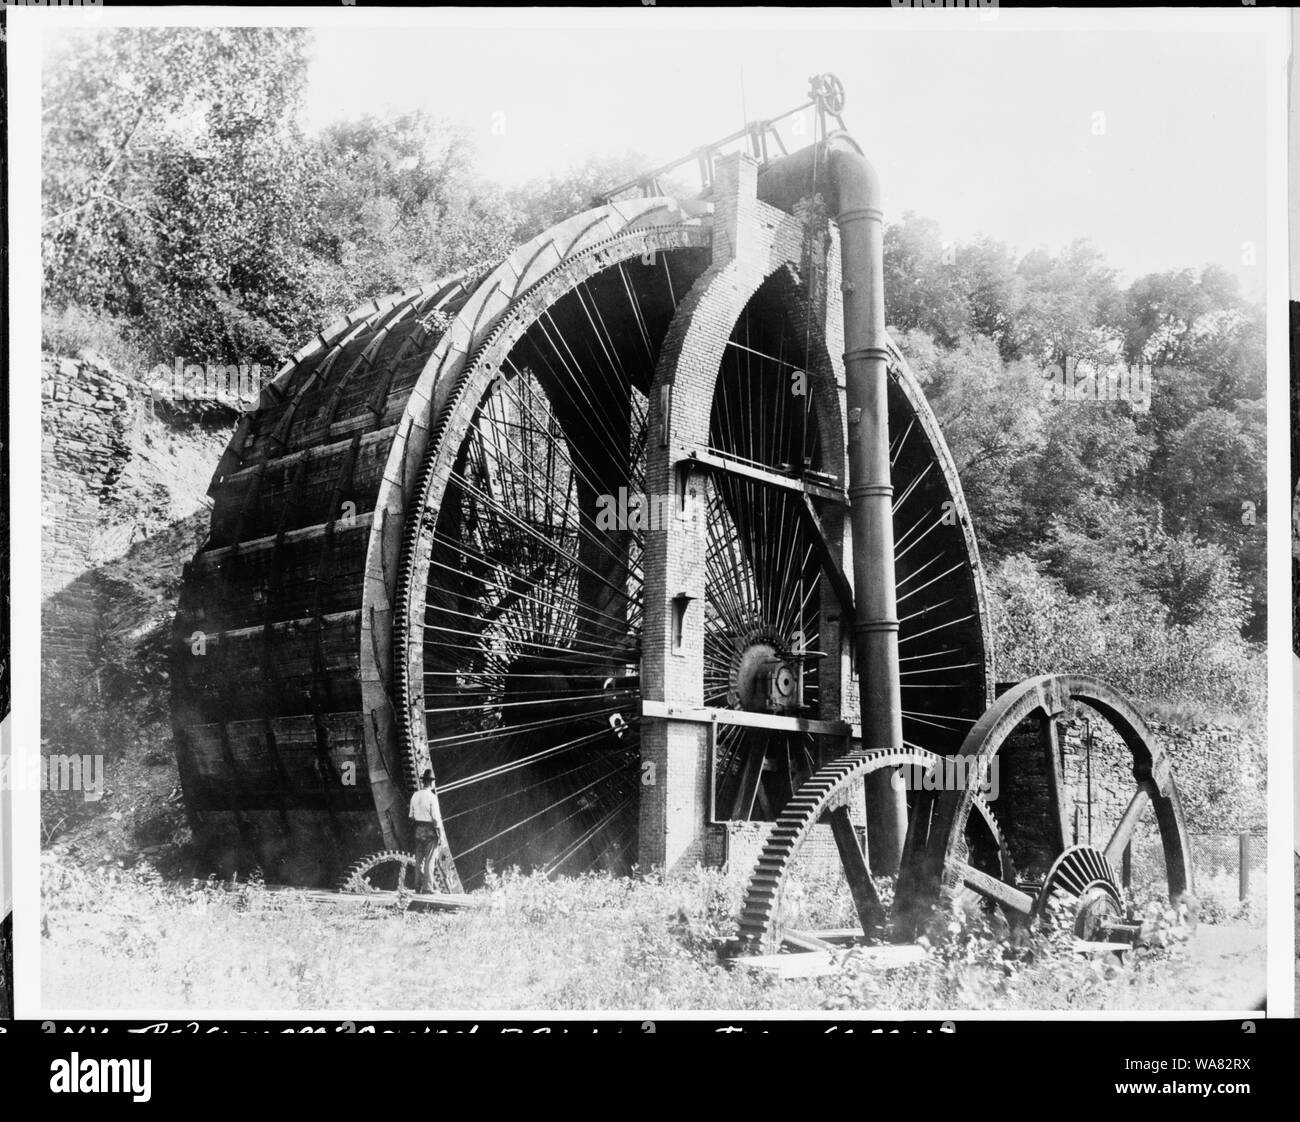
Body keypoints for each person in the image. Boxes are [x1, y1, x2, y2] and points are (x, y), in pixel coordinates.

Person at [408, 769, 444, 893]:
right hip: (429, 830)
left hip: (418, 830)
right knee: (430, 859)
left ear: (424, 782)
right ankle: (428, 888)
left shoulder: (415, 795)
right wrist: (439, 834)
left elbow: (411, 816)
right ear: (431, 782)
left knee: (419, 860)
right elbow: (436, 818)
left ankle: (417, 887)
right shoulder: (432, 797)